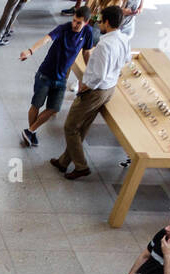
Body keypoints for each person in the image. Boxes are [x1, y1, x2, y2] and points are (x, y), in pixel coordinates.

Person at [49, 6, 127, 179]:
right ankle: (64, 161)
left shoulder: (104, 44)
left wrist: (85, 86)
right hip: (109, 88)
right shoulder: (124, 38)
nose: (99, 23)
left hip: (95, 90)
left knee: (70, 126)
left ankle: (81, 166)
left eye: (101, 21)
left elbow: (99, 74)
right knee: (82, 126)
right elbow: (126, 59)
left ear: (107, 22)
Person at [18, 7, 96, 147]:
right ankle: (31, 132)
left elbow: (86, 53)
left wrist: (90, 71)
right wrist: (30, 51)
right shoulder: (63, 28)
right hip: (45, 75)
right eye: (74, 21)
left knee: (54, 108)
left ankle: (30, 131)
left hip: (61, 79)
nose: (74, 24)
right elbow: (46, 39)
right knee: (36, 105)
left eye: (79, 23)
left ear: (86, 22)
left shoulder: (88, 32)